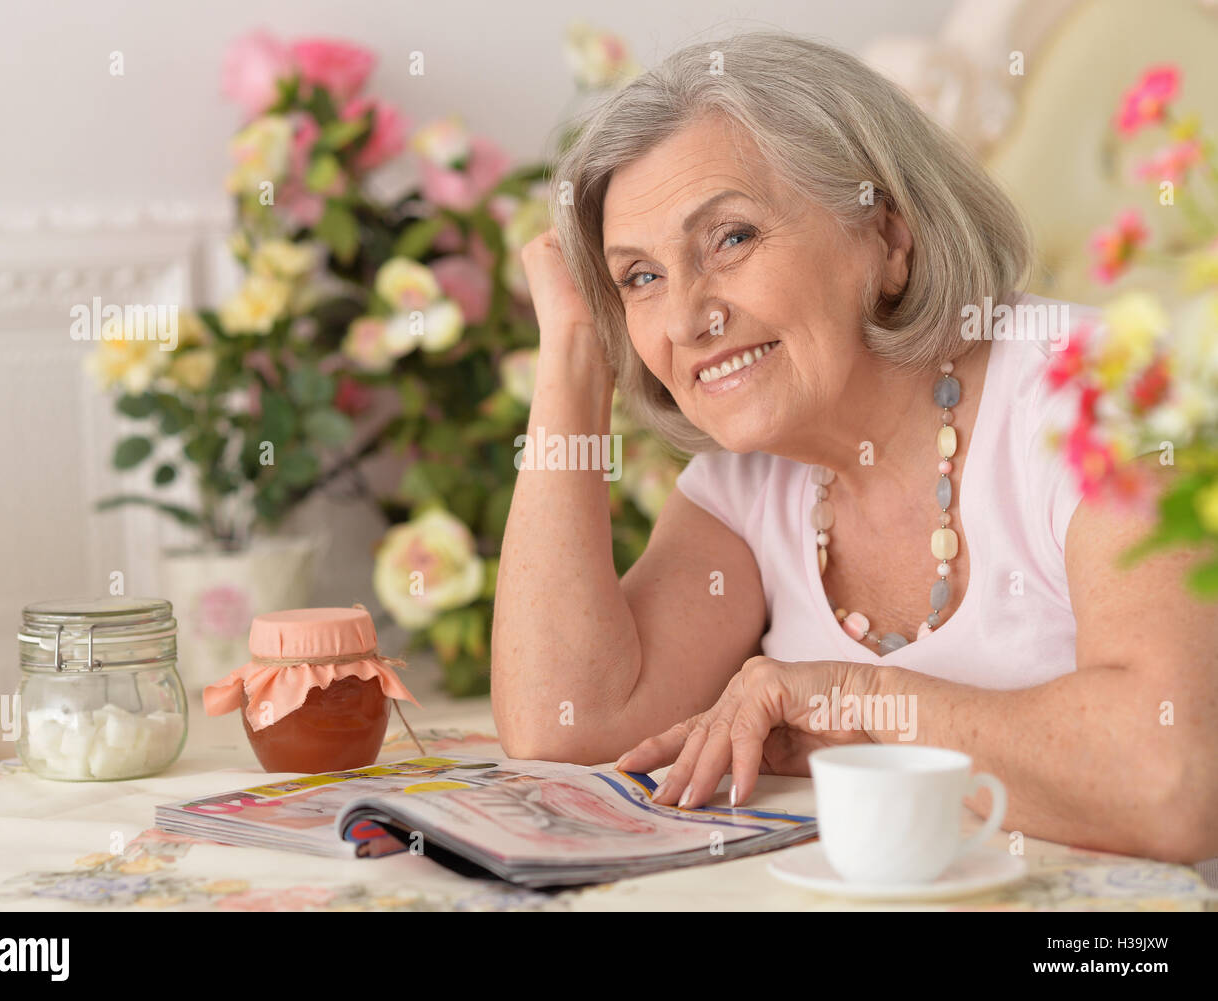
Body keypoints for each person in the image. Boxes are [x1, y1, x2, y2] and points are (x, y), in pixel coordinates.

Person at [490, 31, 1218, 865]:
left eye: (730, 238)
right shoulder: (742, 485)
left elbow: (1175, 780)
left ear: (888, 237)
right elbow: (566, 722)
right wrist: (576, 355)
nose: (688, 318)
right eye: (640, 278)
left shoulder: (1107, 395)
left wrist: (856, 700)